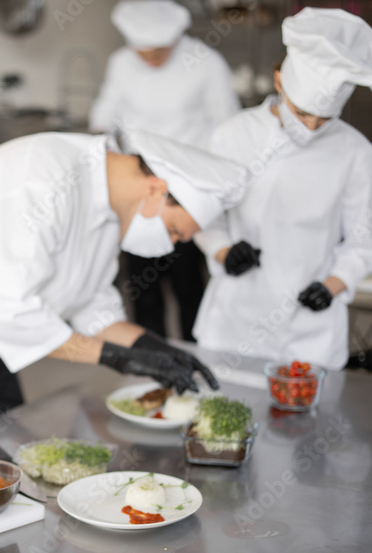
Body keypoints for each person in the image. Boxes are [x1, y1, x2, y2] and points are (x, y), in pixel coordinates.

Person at [0, 129, 247, 457]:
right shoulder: (46, 179)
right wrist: (117, 359)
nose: (170, 244)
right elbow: (14, 314)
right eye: (176, 231)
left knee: (2, 455)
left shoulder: (112, 203)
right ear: (157, 188)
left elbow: (93, 306)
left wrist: (158, 350)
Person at [193, 8, 372, 369]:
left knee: (306, 418)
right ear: (279, 81)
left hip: (310, 328)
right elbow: (202, 215)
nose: (311, 127)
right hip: (236, 318)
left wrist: (333, 285)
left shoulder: (355, 151)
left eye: (325, 119)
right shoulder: (231, 135)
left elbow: (361, 242)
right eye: (301, 114)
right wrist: (222, 251)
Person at [89, 0, 241, 344]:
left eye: (159, 51)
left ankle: (196, 354)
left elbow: (228, 126)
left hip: (187, 195)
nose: (151, 59)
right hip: (138, 192)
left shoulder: (206, 62)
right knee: (143, 286)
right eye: (143, 52)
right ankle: (151, 360)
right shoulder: (121, 64)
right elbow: (104, 114)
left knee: (189, 284)